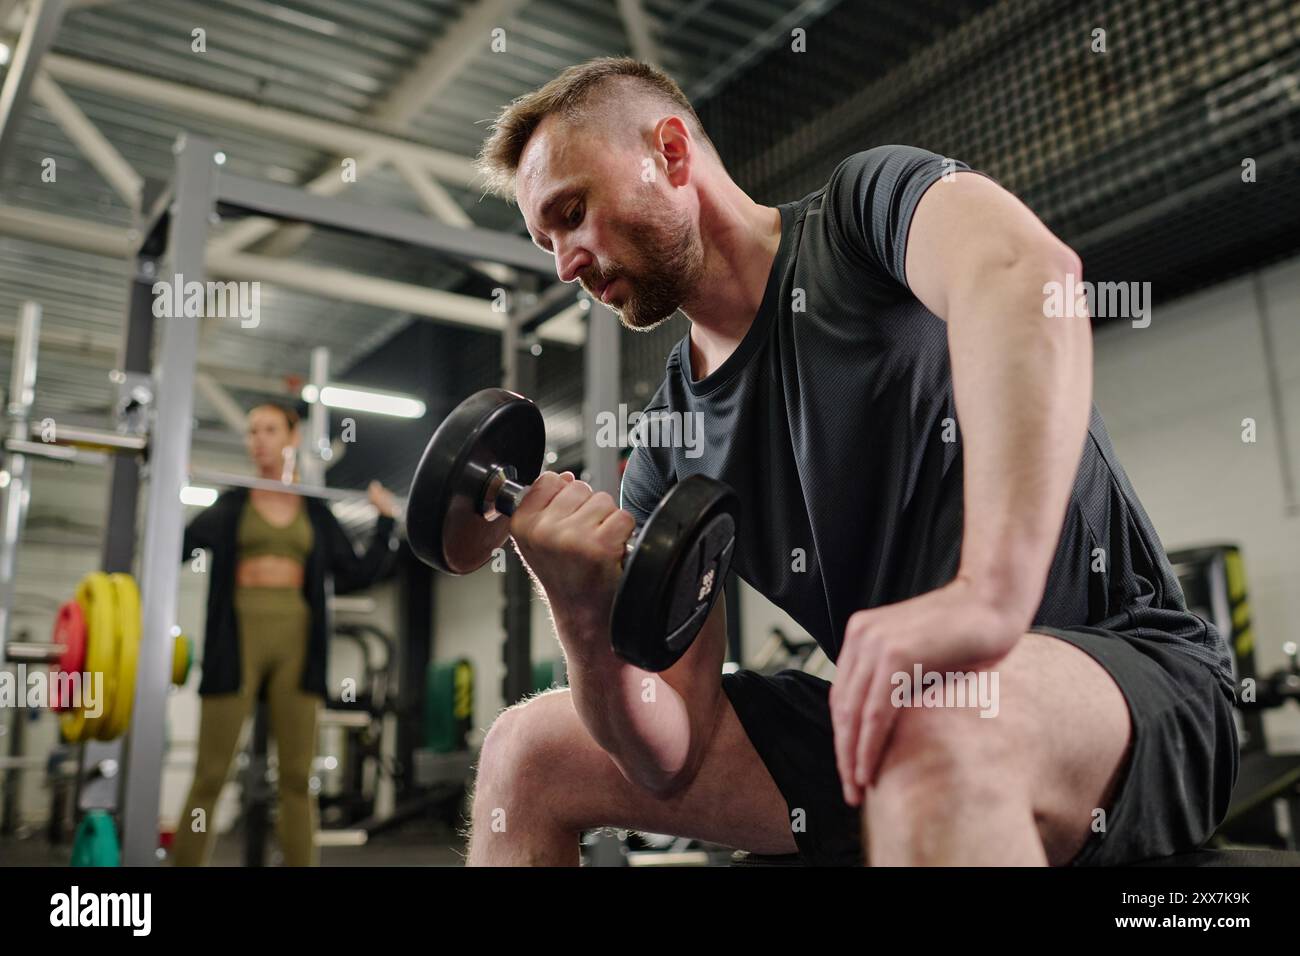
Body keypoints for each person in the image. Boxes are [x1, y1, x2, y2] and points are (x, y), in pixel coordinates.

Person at [463, 57, 1238, 866]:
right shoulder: (666, 442)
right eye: (546, 239)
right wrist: (584, 617)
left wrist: (987, 596)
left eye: (573, 212)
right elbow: (669, 756)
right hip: (893, 720)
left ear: (672, 154)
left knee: (937, 725)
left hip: (1122, 686)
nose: (565, 262)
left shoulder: (863, 215)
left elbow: (1028, 275)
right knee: (528, 754)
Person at [171, 401, 399, 866]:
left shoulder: (313, 510)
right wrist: (173, 486)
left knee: (297, 777)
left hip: (297, 641)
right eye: (252, 431)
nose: (258, 439)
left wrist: (386, 522)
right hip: (235, 641)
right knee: (211, 771)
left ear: (292, 438)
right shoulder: (234, 501)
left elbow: (356, 571)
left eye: (269, 429)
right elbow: (176, 547)